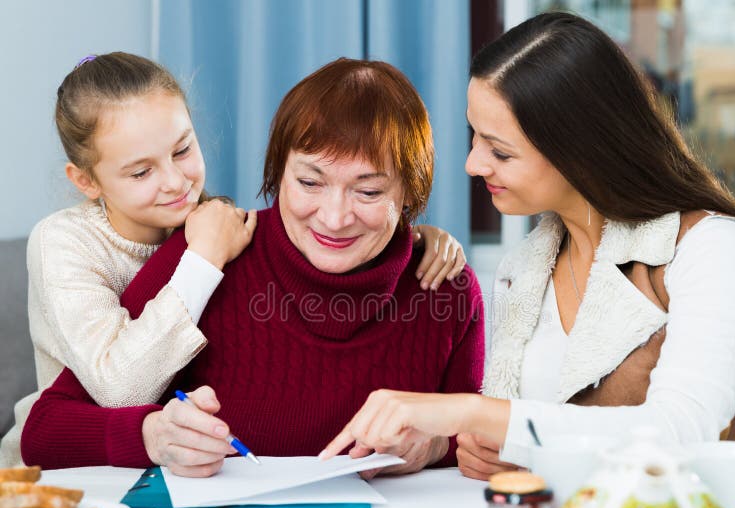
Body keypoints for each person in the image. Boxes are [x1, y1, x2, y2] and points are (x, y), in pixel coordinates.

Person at [321, 13, 735, 508]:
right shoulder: (526, 268)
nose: (472, 164)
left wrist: (471, 414)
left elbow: (682, 434)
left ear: (579, 151)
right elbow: (549, 442)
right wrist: (505, 455)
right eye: (475, 136)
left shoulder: (713, 248)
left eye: (500, 152)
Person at [20, 58, 485, 479]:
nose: (334, 217)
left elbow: (477, 441)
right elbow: (48, 426)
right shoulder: (202, 254)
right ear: (277, 173)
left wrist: (435, 444)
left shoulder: (448, 288)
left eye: (368, 192)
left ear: (410, 194)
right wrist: (153, 434)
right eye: (309, 182)